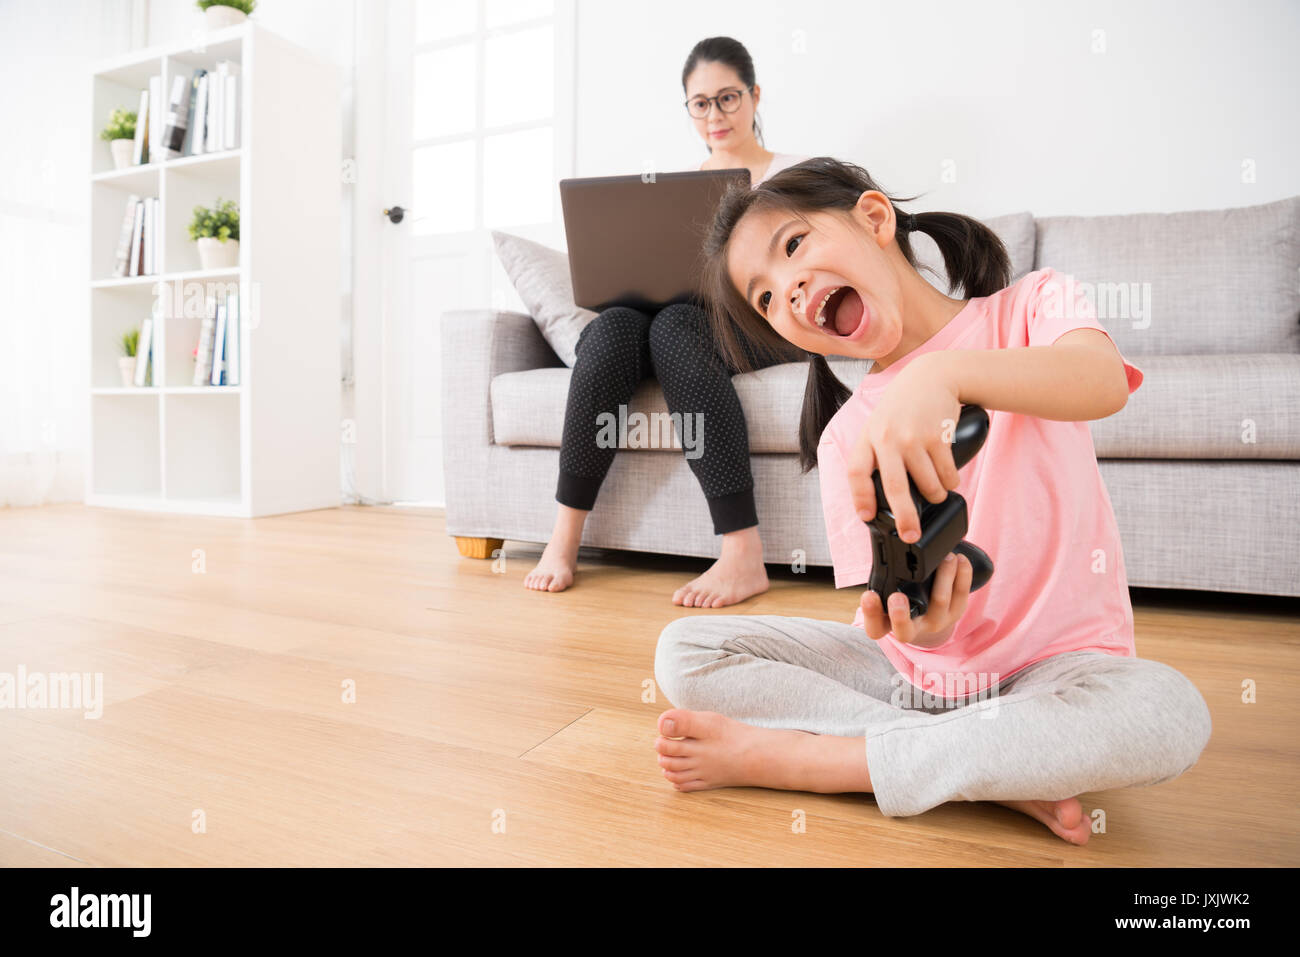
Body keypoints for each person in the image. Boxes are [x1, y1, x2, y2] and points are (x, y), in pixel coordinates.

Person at [651, 156, 1212, 844]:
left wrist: (941, 373)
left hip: (1063, 672)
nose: (788, 292)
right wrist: (925, 627)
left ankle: (827, 761)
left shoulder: (1033, 304)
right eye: (765, 300)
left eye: (793, 246)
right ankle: (986, 765)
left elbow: (1101, 381)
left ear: (875, 218)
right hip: (911, 683)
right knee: (685, 652)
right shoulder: (843, 438)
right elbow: (898, 621)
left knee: (1170, 713)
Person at [524, 37, 810, 608]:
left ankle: (742, 553)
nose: (715, 115)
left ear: (754, 96)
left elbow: (803, 269)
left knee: (675, 326)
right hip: (686, 319)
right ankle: (565, 533)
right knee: (614, 331)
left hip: (762, 322)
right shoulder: (683, 189)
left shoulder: (794, 174)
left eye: (727, 98)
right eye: (699, 104)